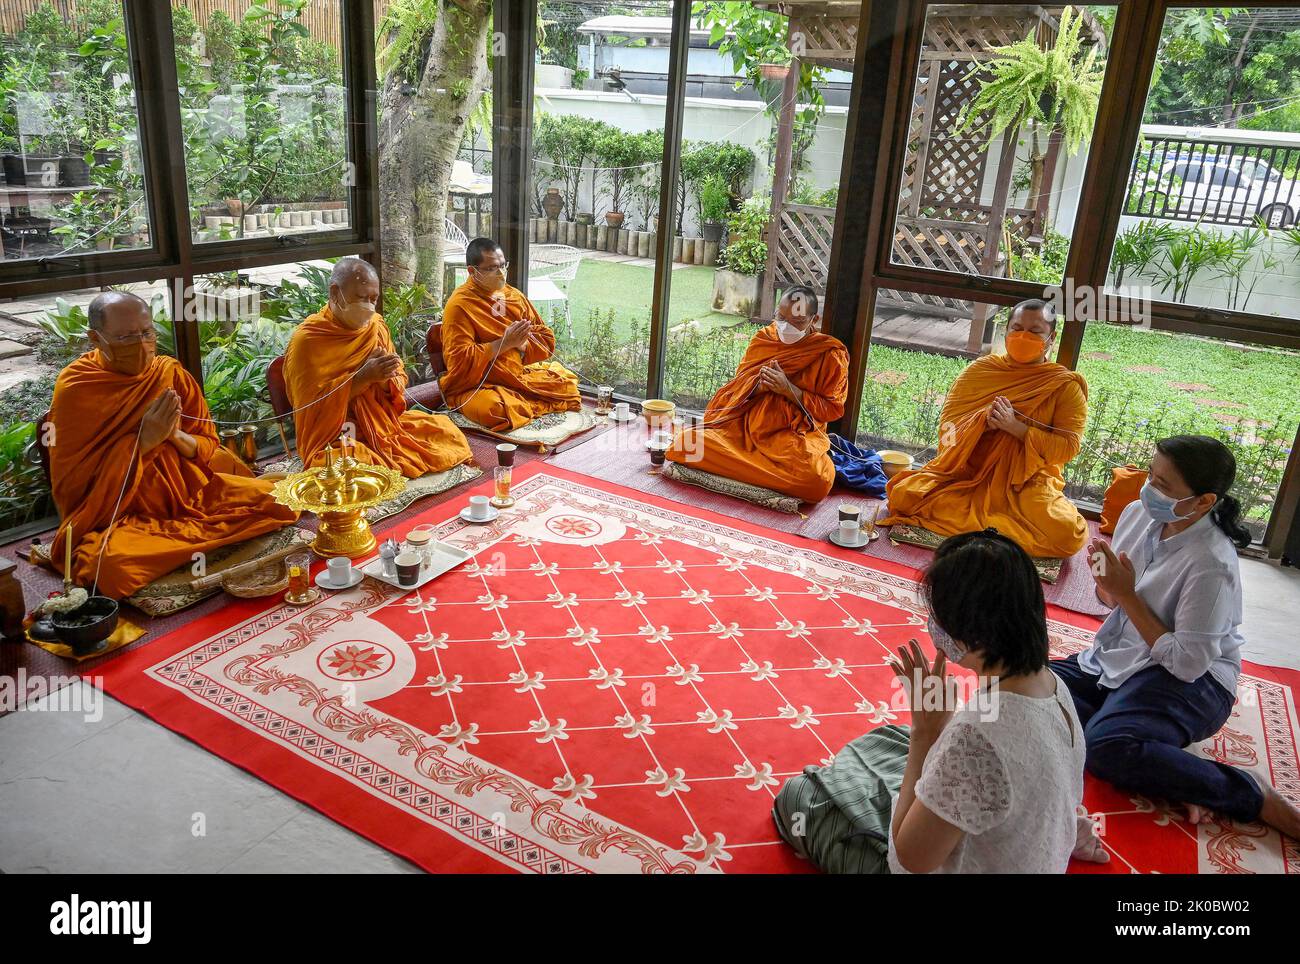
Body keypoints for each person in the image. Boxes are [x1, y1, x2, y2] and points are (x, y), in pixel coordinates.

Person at [773, 531, 1103, 873]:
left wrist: (925, 733)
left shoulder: (975, 737)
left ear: (973, 633)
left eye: (939, 616)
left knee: (799, 797)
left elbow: (909, 860)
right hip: (1028, 844)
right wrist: (936, 730)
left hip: (918, 860)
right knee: (887, 740)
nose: (933, 625)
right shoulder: (1053, 684)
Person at [1053, 435, 1300, 841]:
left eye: (1163, 485)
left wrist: (1127, 594)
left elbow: (1187, 663)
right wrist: (1109, 586)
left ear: (1203, 501)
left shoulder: (1211, 564)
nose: (1149, 489)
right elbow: (1112, 602)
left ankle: (1251, 794)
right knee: (1019, 689)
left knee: (1105, 748)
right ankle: (1169, 771)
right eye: (1151, 475)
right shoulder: (1137, 514)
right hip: (1123, 658)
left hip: (1193, 682)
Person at [46, 292, 298, 600]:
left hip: (193, 494)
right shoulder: (78, 389)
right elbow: (74, 486)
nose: (140, 344)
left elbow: (207, 445)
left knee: (284, 499)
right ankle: (188, 546)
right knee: (110, 568)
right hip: (125, 514)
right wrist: (142, 444)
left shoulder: (169, 372)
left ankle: (180, 548)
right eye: (125, 336)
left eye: (146, 332)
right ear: (95, 339)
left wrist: (174, 436)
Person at [882, 299, 1088, 558]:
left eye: (1035, 332)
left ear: (1051, 338)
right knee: (903, 495)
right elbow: (947, 434)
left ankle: (979, 531)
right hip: (969, 474)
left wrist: (1016, 428)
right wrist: (981, 424)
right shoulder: (979, 371)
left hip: (1025, 483)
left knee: (1068, 534)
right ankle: (1000, 535)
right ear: (1006, 331)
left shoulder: (1064, 386)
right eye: (1016, 328)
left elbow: (1068, 448)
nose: (1023, 336)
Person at [283, 257, 473, 476]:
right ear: (335, 293)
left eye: (374, 299)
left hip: (383, 425)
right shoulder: (308, 341)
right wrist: (362, 379)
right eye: (362, 298)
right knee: (343, 468)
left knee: (446, 433)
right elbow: (310, 411)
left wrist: (384, 379)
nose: (369, 307)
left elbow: (398, 382)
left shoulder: (376, 326)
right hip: (338, 434)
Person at [664, 286, 848, 502]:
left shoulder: (830, 354)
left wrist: (790, 390)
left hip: (789, 437)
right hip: (743, 429)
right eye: (781, 317)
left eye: (796, 322)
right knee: (686, 443)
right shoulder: (764, 338)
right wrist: (757, 387)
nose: (786, 327)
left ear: (813, 320)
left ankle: (742, 470)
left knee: (816, 481)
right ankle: (765, 476)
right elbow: (733, 390)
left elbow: (831, 410)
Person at [437, 237, 580, 431]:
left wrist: (521, 344)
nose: (501, 273)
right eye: (492, 268)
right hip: (478, 385)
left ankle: (523, 403)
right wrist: (503, 344)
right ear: (472, 271)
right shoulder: (460, 305)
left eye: (503, 266)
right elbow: (458, 360)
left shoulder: (513, 296)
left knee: (568, 385)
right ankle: (522, 404)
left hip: (516, 376)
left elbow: (545, 337)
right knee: (496, 411)